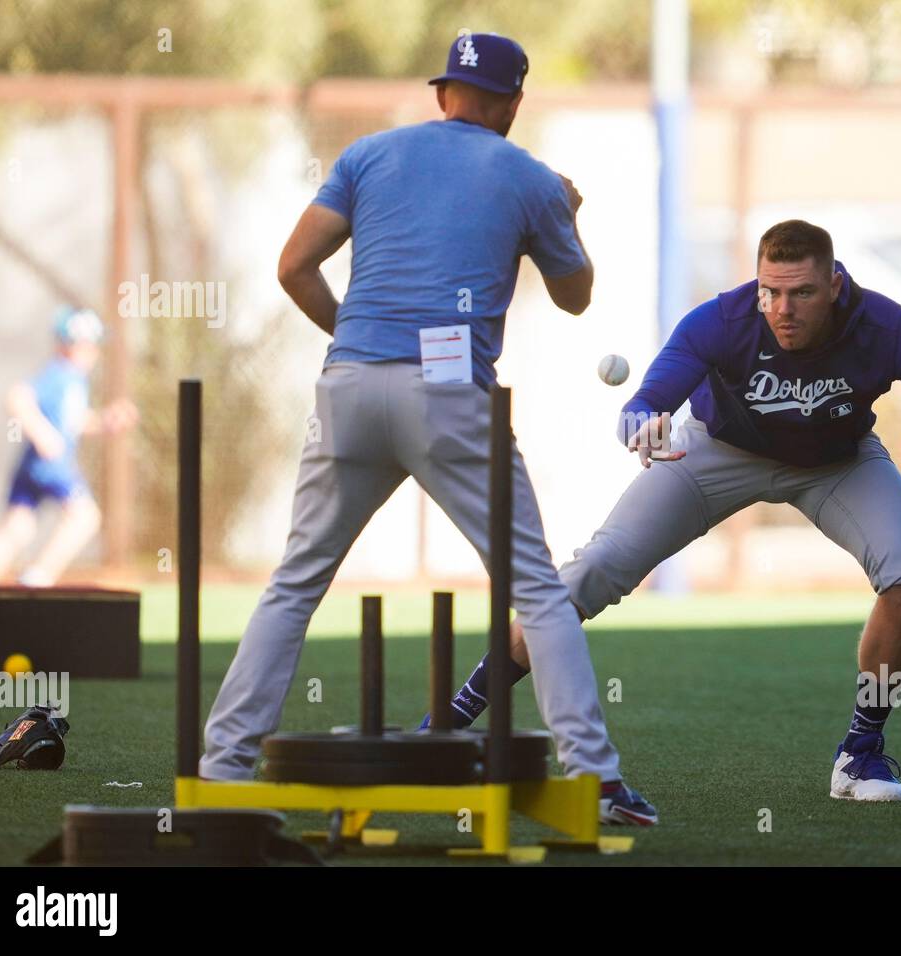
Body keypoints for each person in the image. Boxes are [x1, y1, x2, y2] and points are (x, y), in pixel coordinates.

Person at [199, 33, 656, 825]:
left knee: (295, 584)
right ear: (512, 105)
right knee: (537, 593)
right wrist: (568, 215)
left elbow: (292, 266)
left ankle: (224, 766)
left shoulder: (368, 154)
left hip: (349, 386)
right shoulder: (530, 177)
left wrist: (359, 341)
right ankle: (598, 782)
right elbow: (575, 295)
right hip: (448, 394)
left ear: (443, 92)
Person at [425, 219, 901, 803]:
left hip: (837, 460)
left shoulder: (888, 330)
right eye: (770, 291)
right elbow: (643, 405)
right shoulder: (722, 320)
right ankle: (451, 722)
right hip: (715, 449)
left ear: (834, 285)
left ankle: (859, 758)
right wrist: (644, 427)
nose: (783, 309)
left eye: (801, 293)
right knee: (591, 571)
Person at [0, 306, 137, 587]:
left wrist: (105, 422)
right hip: (50, 464)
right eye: (91, 346)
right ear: (75, 345)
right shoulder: (60, 374)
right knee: (85, 517)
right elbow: (17, 397)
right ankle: (37, 577)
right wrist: (42, 434)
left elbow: (72, 421)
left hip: (32, 464)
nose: (95, 353)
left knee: (17, 527)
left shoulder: (74, 380)